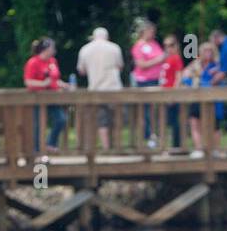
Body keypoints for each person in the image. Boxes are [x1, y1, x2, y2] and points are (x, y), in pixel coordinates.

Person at [76, 27, 124, 150]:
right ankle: (117, 145)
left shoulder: (85, 49)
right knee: (116, 117)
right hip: (114, 88)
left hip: (96, 89)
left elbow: (81, 70)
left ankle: (106, 147)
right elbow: (120, 66)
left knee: (101, 120)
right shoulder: (114, 48)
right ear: (107, 36)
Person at [23, 38, 73, 155]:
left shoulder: (52, 61)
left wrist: (64, 85)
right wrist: (43, 84)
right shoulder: (33, 62)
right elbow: (28, 82)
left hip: (52, 96)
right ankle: (37, 151)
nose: (54, 50)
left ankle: (50, 144)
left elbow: (54, 79)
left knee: (61, 120)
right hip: (37, 98)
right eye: (52, 48)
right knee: (38, 125)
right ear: (45, 49)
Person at [183, 41, 223, 157]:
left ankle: (214, 149)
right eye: (205, 51)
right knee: (195, 123)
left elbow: (218, 80)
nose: (207, 53)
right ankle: (199, 149)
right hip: (197, 97)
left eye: (210, 51)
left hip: (213, 99)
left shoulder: (217, 65)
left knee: (215, 125)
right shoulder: (195, 64)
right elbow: (185, 77)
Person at [130, 18, 166, 147]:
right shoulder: (138, 46)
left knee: (155, 109)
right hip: (144, 81)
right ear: (143, 31)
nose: (153, 33)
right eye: (151, 31)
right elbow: (141, 64)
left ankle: (156, 133)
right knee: (146, 110)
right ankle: (147, 135)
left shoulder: (154, 44)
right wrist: (159, 60)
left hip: (157, 80)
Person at [160, 33, 185, 150]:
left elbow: (179, 76)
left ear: (176, 46)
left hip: (172, 94)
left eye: (171, 45)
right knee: (169, 121)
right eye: (165, 45)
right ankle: (172, 145)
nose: (168, 48)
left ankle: (177, 146)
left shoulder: (176, 58)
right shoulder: (167, 58)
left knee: (175, 121)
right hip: (165, 93)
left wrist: (173, 94)